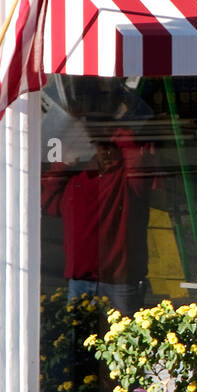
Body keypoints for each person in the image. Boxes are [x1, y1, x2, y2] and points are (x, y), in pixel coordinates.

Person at [42, 127, 155, 315]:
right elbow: (47, 201)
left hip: (120, 280)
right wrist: (65, 163)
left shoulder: (126, 179)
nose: (104, 152)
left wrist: (116, 129)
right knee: (79, 340)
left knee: (124, 342)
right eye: (98, 146)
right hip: (82, 279)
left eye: (110, 146)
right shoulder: (77, 178)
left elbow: (138, 168)